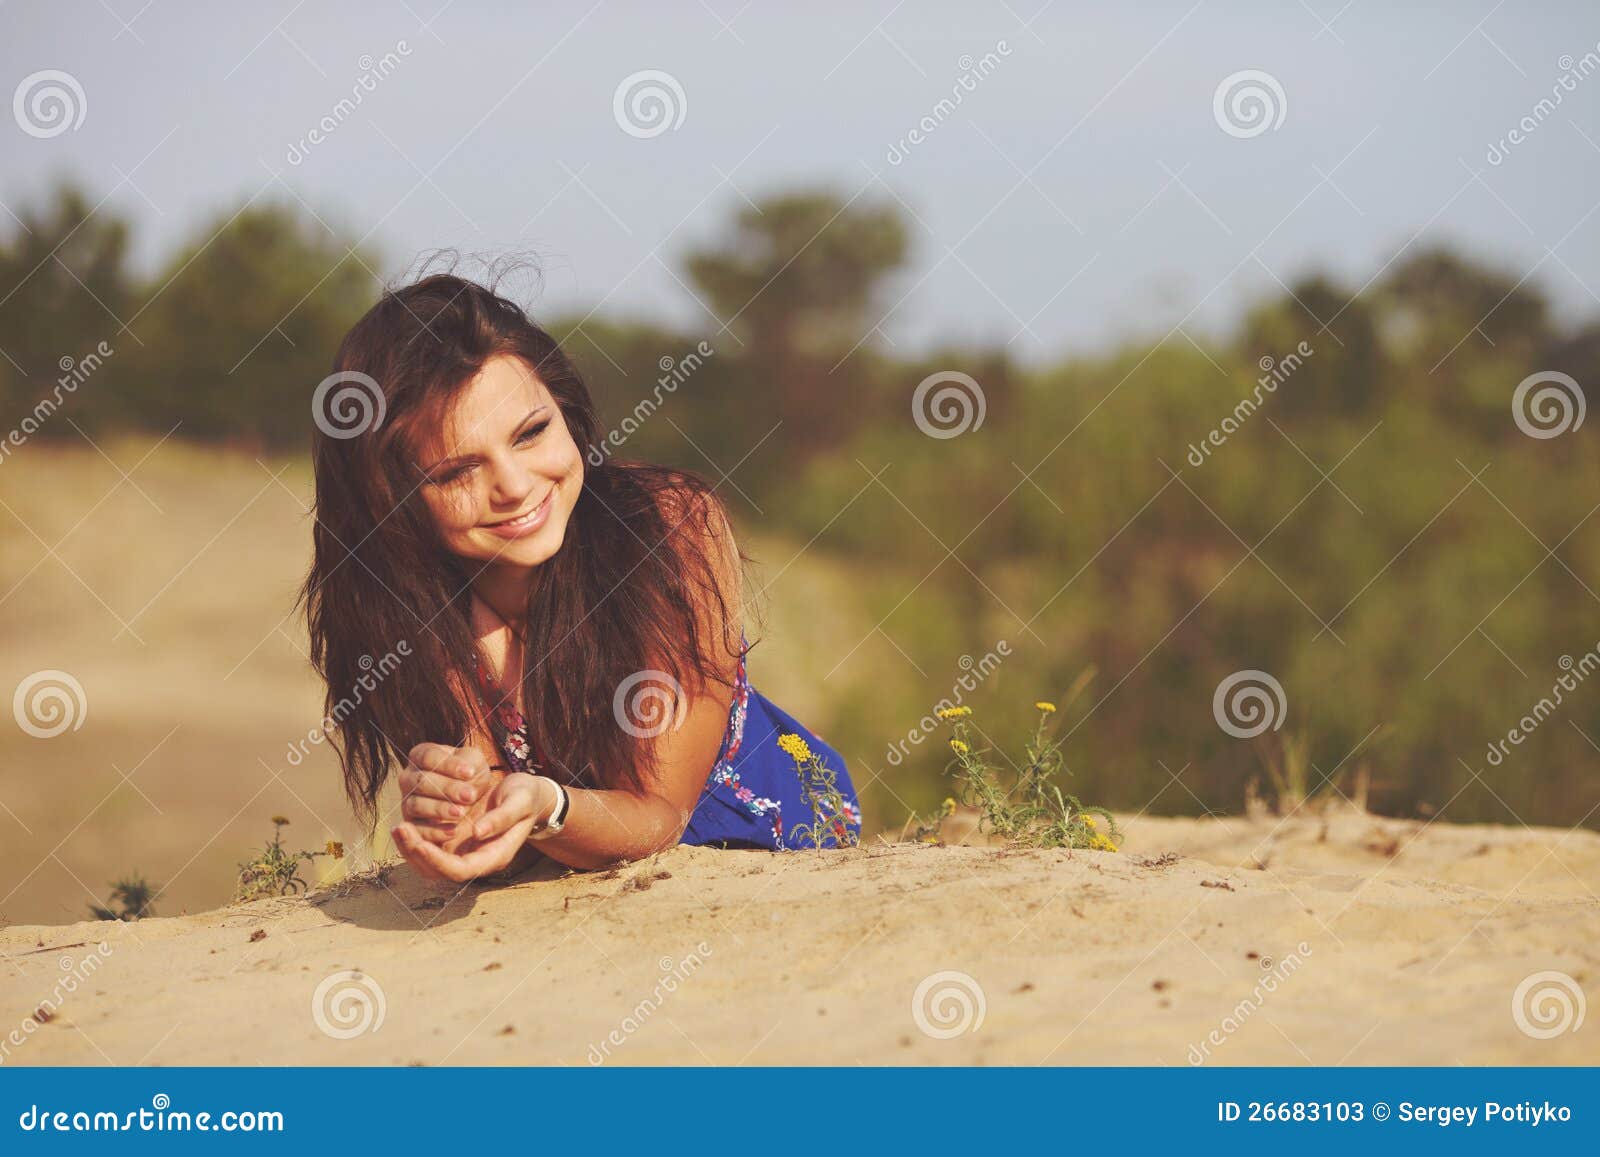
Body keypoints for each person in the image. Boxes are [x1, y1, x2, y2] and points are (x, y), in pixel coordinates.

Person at [300, 272, 861, 882]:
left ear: (565, 410)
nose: (513, 486)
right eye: (457, 472)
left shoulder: (669, 526)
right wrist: (459, 805)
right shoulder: (403, 606)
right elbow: (497, 814)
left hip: (773, 850)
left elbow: (661, 815)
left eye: (532, 432)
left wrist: (545, 805)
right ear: (396, 500)